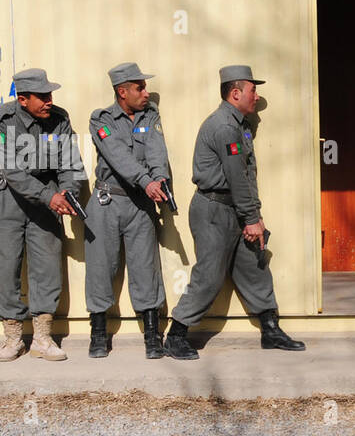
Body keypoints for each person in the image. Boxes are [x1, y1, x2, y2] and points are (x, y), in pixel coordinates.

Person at [164, 65, 304, 359]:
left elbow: (245, 176)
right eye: (253, 90)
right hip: (214, 210)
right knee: (210, 274)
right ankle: (176, 334)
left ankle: (270, 330)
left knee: (255, 266)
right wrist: (251, 218)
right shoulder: (224, 126)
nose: (257, 96)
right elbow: (236, 177)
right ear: (235, 92)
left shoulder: (239, 124)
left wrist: (254, 215)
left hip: (235, 207)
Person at [0, 67, 84, 361]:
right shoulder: (1, 119)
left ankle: (42, 338)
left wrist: (68, 193)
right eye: (42, 96)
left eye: (50, 94)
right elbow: (10, 168)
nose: (49, 101)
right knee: (5, 266)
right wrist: (49, 196)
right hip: (8, 199)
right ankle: (13, 338)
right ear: (23, 99)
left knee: (47, 265)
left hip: (48, 197)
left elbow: (70, 161)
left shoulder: (60, 118)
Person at [85, 62, 171, 359]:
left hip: (141, 203)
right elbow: (119, 157)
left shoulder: (151, 116)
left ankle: (152, 335)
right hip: (107, 201)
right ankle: (98, 333)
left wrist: (160, 179)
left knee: (145, 268)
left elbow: (157, 151)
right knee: (100, 267)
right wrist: (147, 181)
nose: (146, 93)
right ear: (122, 92)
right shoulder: (101, 120)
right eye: (139, 87)